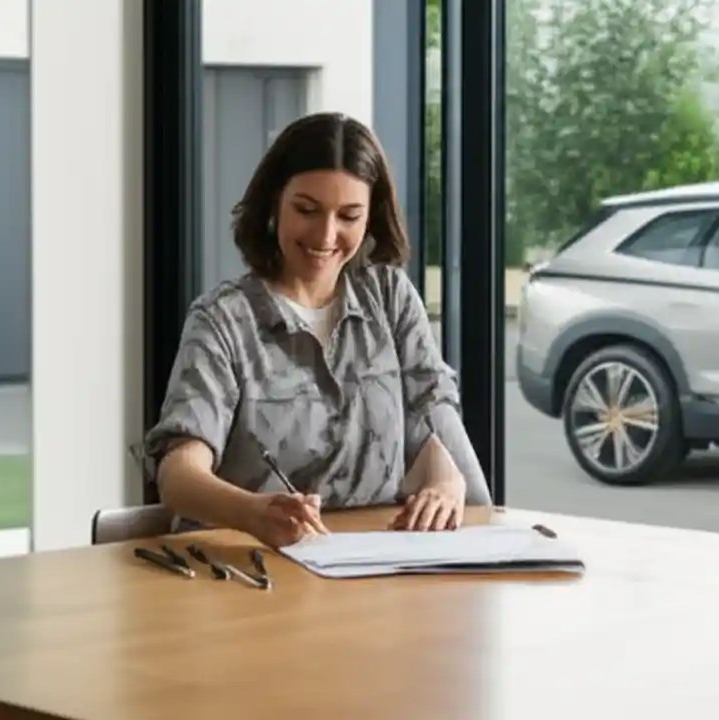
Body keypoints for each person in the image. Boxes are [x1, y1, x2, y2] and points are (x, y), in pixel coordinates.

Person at [144, 112, 490, 548]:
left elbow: (432, 418)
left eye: (349, 216)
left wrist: (448, 480)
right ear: (274, 203)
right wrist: (252, 512)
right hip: (249, 567)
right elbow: (178, 476)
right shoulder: (223, 320)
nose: (326, 235)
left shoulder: (390, 297)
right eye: (307, 210)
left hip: (374, 569)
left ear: (371, 217)